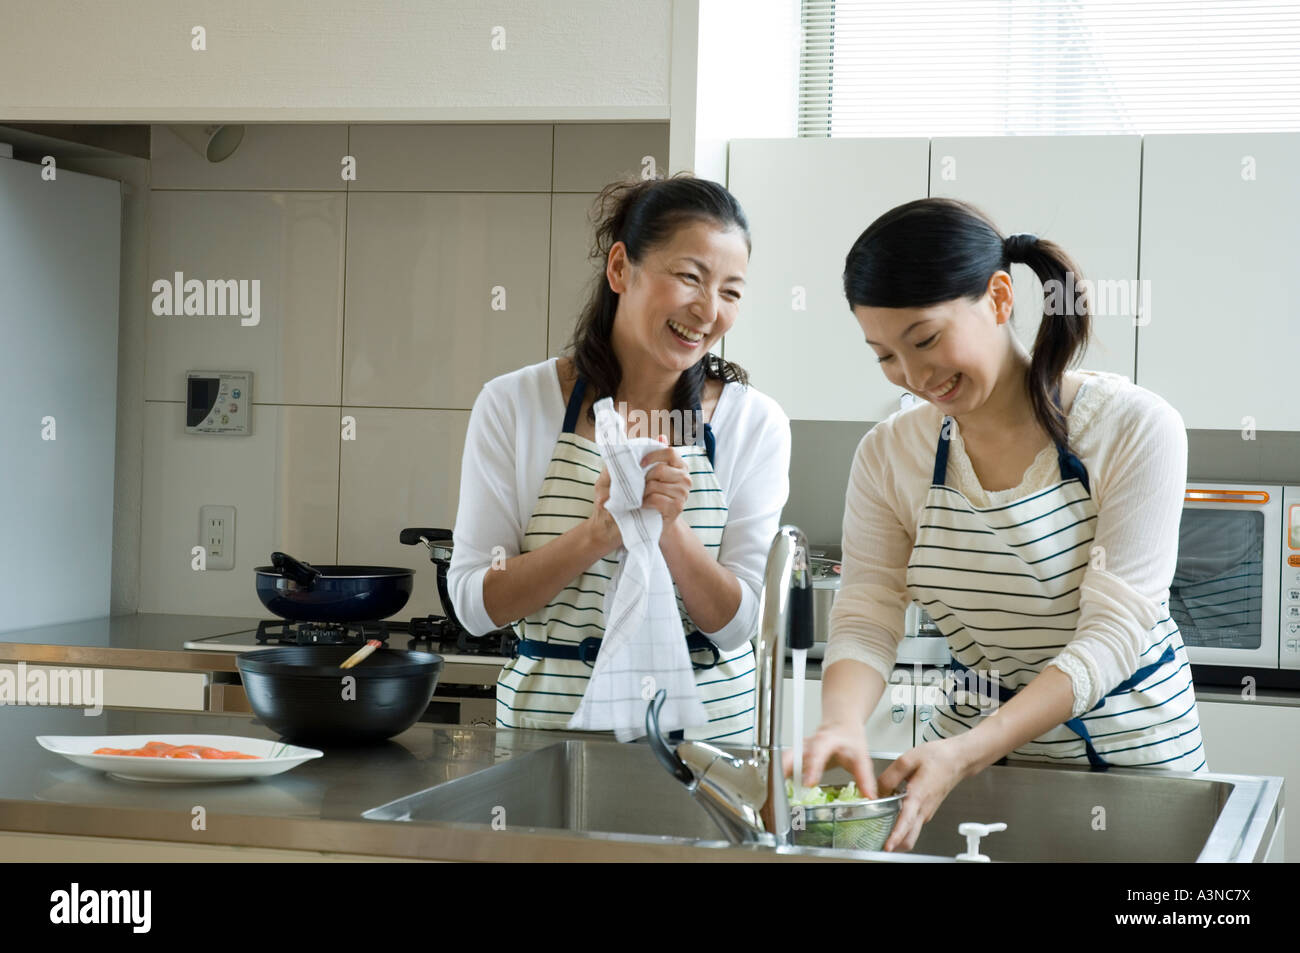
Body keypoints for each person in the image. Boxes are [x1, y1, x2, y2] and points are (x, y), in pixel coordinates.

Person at [798, 197, 1206, 852]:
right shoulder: (888, 455)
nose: (914, 376)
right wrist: (842, 722)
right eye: (884, 356)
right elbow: (869, 608)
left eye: (926, 339)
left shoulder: (1132, 425)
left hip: (1129, 758)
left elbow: (1114, 632)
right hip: (969, 756)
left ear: (998, 296)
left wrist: (965, 752)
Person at [447, 174, 791, 745]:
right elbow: (476, 605)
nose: (708, 311)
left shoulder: (753, 423)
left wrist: (669, 529)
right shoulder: (515, 404)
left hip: (709, 752)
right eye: (689, 277)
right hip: (547, 741)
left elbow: (737, 627)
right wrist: (597, 534)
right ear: (619, 269)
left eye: (731, 291)